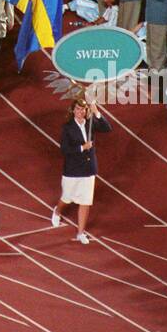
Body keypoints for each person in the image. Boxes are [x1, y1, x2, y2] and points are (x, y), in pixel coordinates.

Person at [51, 98, 111, 244]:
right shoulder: (68, 127)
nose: (80, 112)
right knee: (67, 198)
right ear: (73, 111)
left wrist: (96, 110)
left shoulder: (90, 123)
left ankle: (80, 233)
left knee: (85, 201)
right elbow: (64, 149)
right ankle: (57, 211)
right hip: (72, 169)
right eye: (78, 109)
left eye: (83, 109)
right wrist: (82, 148)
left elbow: (107, 128)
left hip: (88, 169)